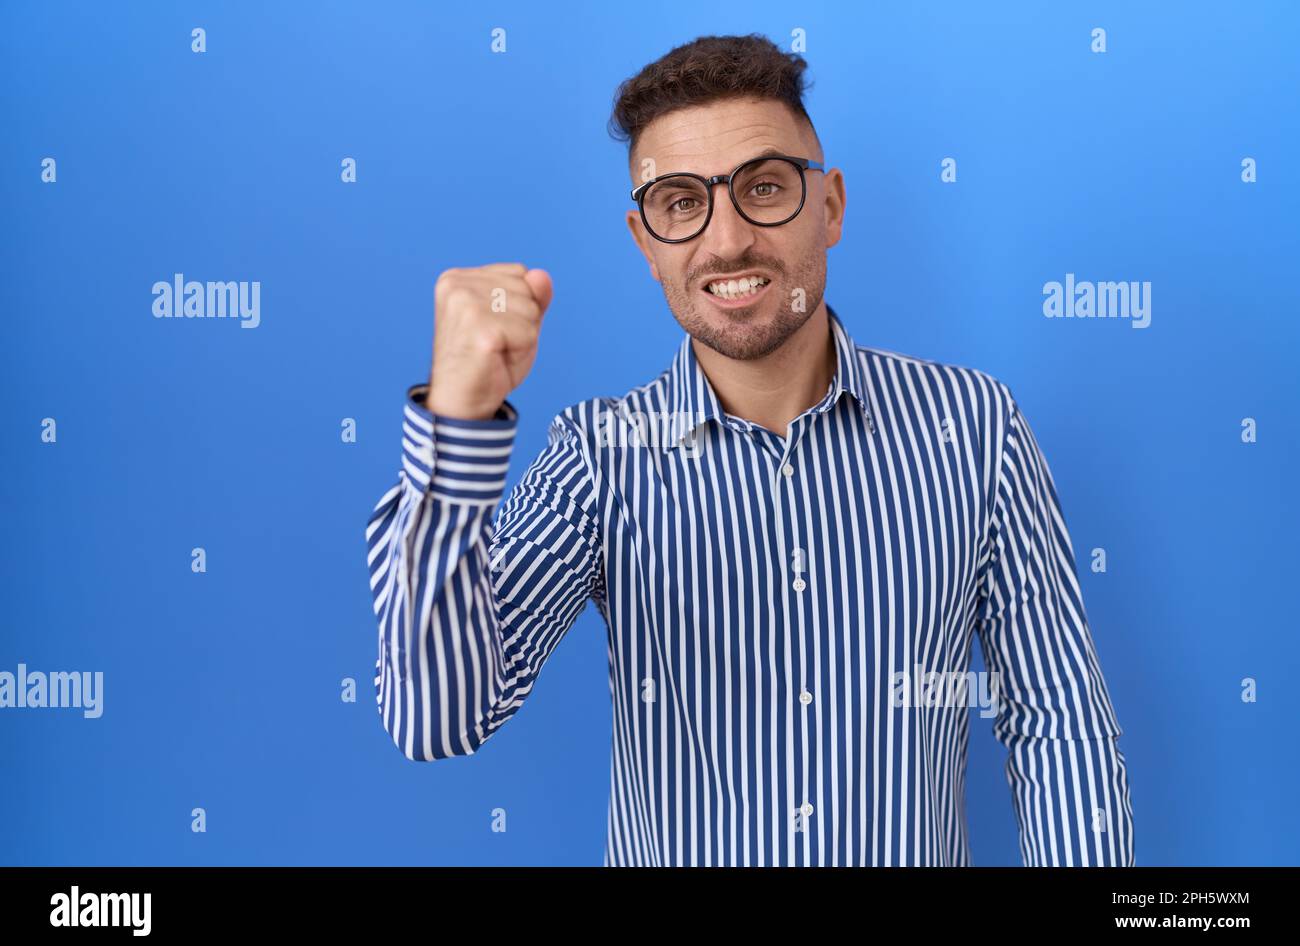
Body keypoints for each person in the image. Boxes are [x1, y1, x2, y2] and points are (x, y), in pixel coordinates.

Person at [364, 33, 1134, 866]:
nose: (727, 240)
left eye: (764, 188)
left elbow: (1058, 719)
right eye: (681, 202)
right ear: (644, 240)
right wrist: (457, 428)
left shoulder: (975, 427)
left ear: (830, 205)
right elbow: (437, 717)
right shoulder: (598, 456)